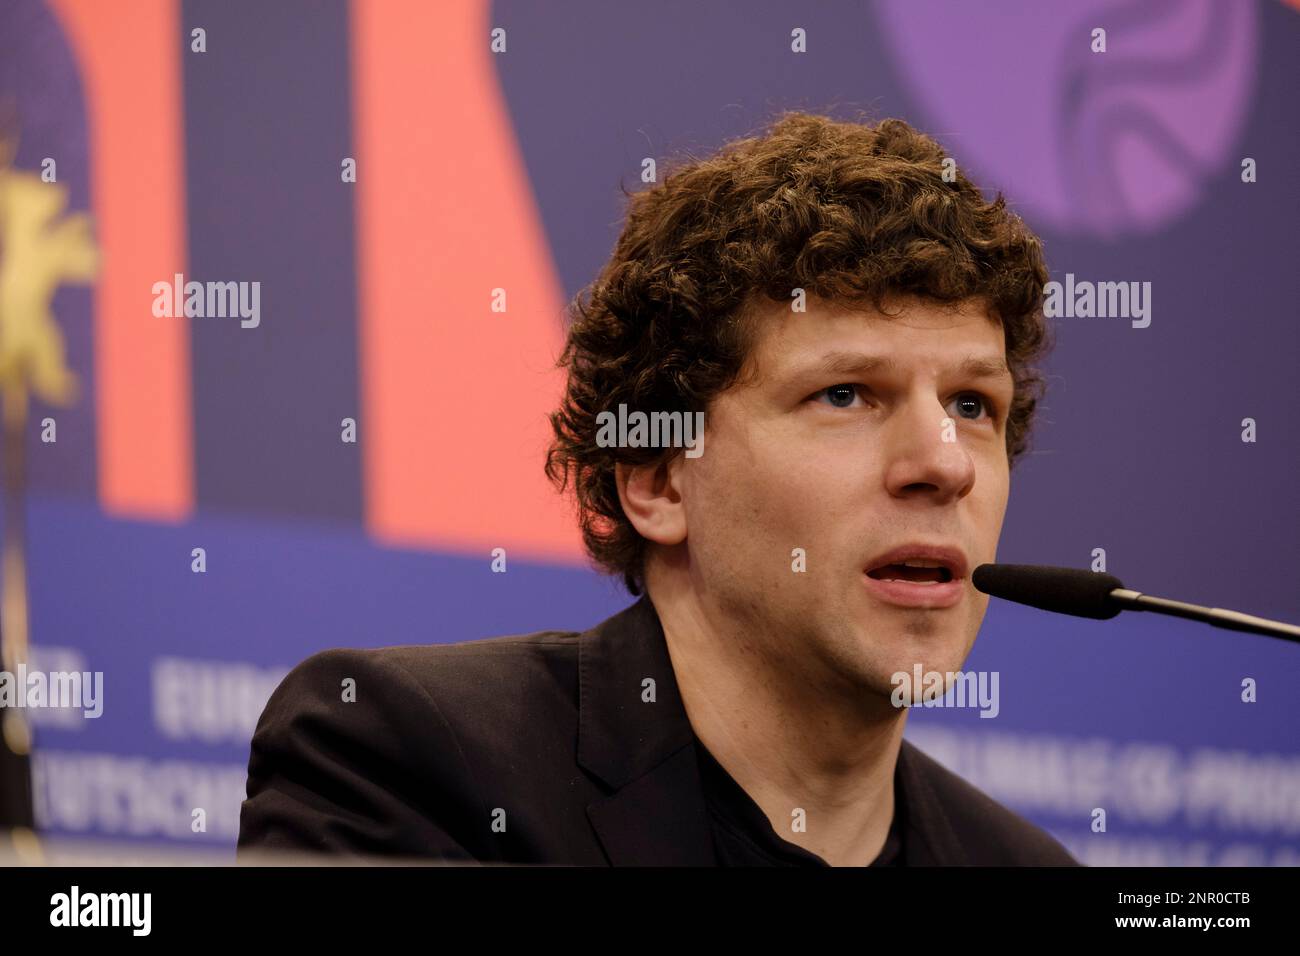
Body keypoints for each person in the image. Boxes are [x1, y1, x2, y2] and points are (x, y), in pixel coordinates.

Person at [238, 112, 1077, 866]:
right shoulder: (410, 761)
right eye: (846, 395)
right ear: (657, 480)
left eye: (973, 406)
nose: (944, 463)